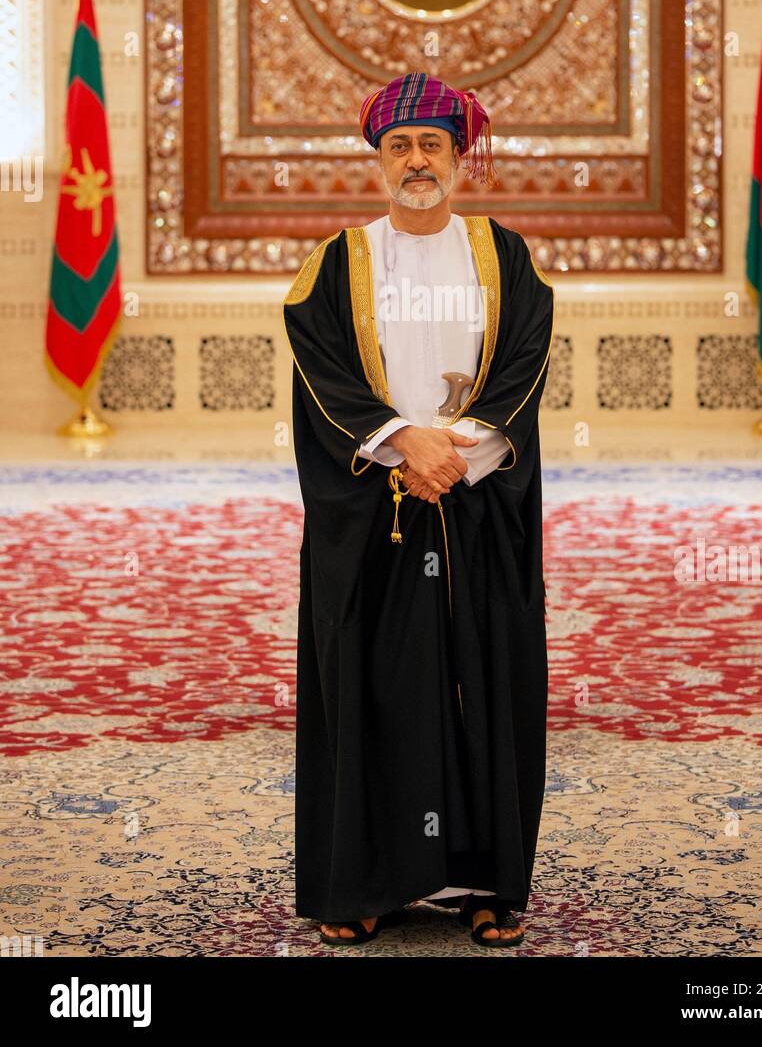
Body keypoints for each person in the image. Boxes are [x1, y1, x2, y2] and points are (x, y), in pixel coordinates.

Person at [282, 72, 554, 947]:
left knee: (486, 686)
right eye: (398, 146)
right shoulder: (336, 262)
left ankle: (486, 880)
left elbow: (521, 366)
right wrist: (405, 441)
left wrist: (457, 449)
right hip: (375, 510)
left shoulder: (506, 255)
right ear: (377, 163)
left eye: (431, 144)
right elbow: (323, 376)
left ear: (461, 159)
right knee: (372, 686)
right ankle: (366, 880)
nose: (415, 160)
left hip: (473, 505)